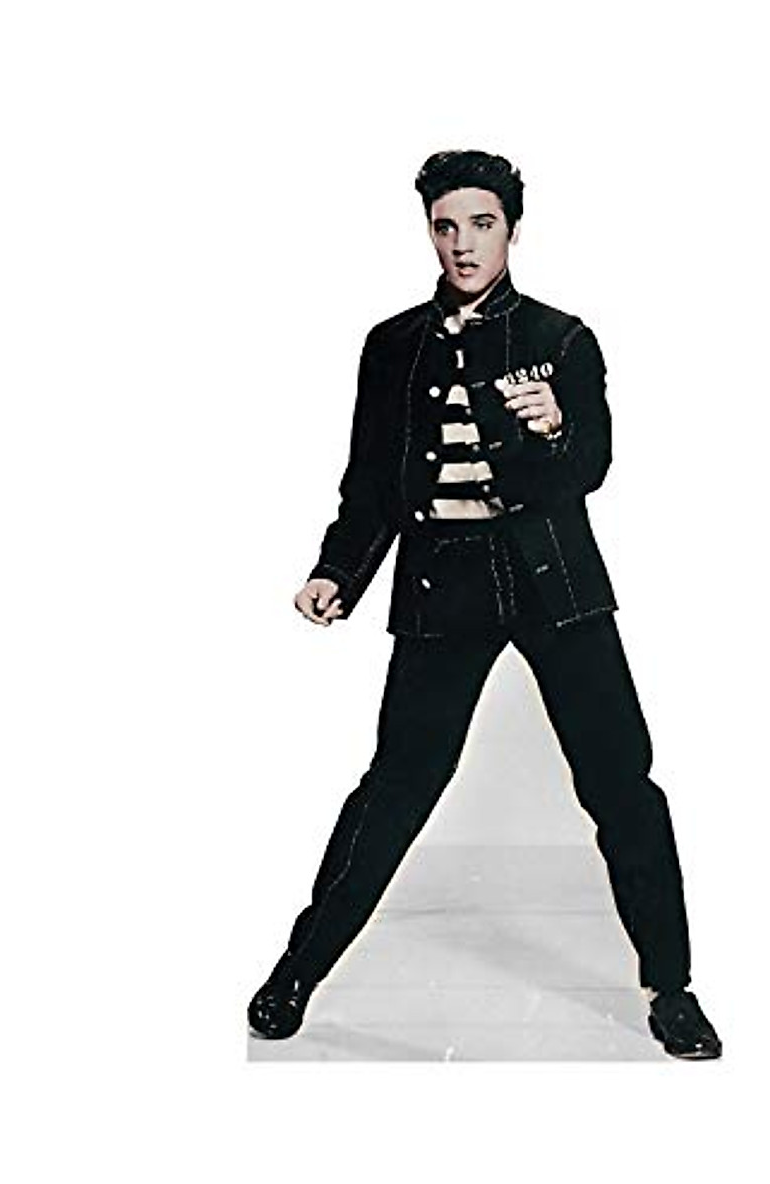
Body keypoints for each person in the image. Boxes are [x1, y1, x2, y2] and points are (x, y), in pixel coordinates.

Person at [247, 150, 722, 1059]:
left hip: (555, 585)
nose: (463, 244)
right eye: (446, 226)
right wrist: (337, 571)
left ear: (513, 228)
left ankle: (672, 989)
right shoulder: (392, 345)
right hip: (443, 584)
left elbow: (590, 468)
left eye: (482, 223)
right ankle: (295, 975)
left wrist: (554, 425)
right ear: (428, 231)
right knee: (396, 787)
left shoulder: (563, 338)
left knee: (622, 785)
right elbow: (371, 481)